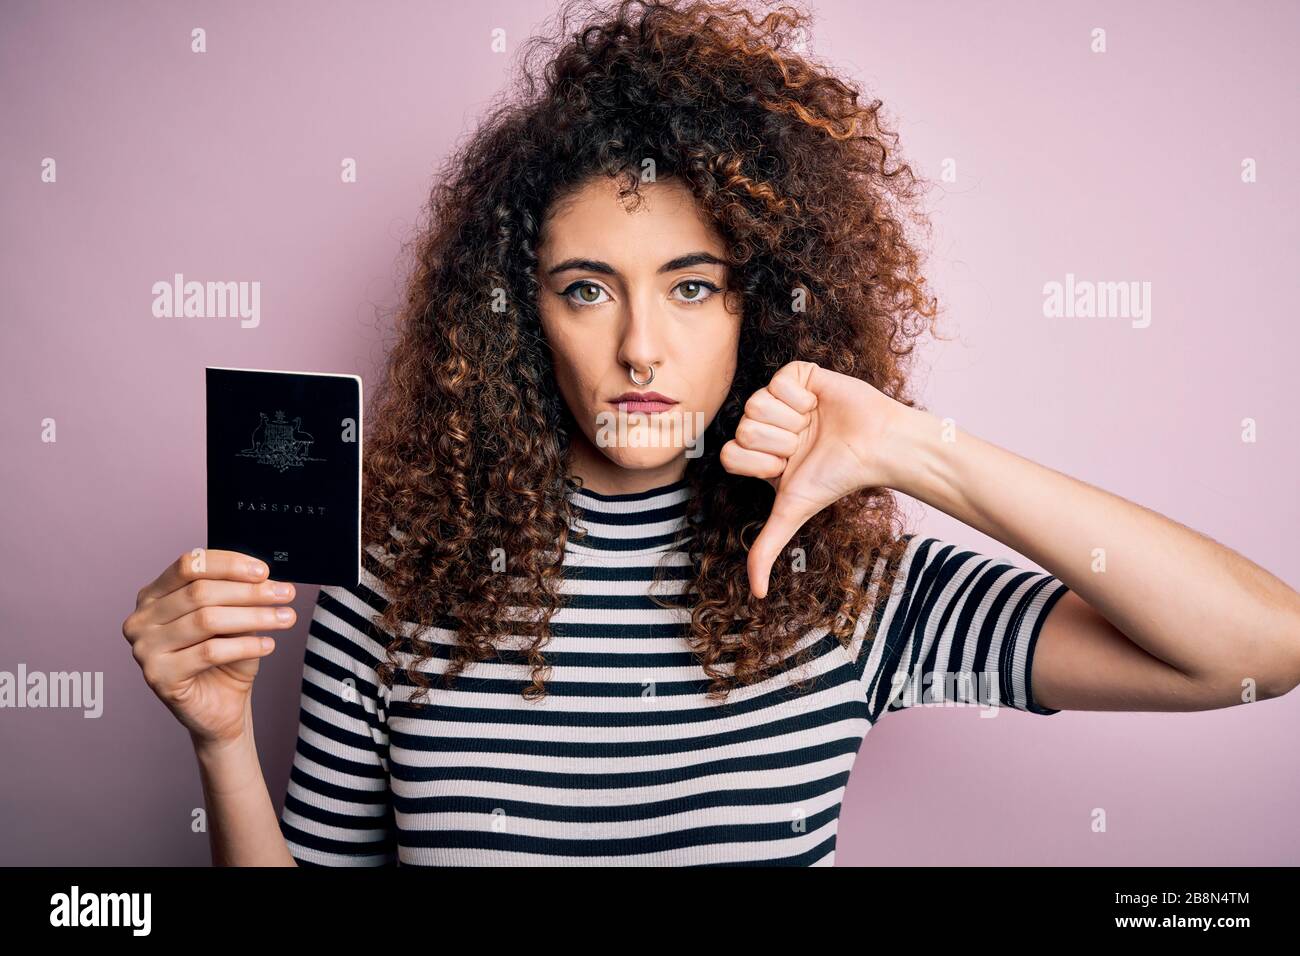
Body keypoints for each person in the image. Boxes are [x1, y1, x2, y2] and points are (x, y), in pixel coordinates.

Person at [121, 0, 1300, 866]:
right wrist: (223, 740)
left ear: (762, 304)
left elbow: (1254, 650)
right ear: (517, 317)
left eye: (692, 286)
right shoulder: (399, 578)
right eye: (585, 288)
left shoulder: (846, 582)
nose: (641, 347)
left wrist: (915, 449)